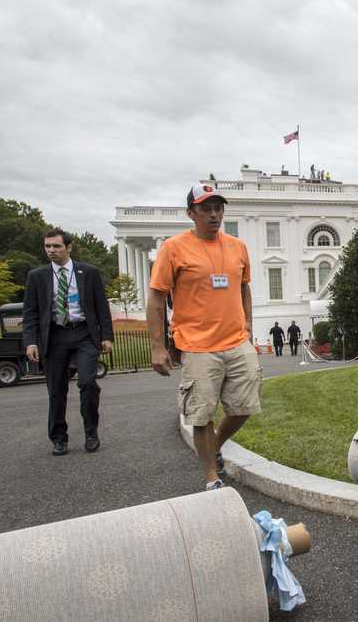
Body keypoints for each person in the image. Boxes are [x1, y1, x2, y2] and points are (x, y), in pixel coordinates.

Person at [147, 183, 260, 491]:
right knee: (202, 415)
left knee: (245, 406)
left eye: (218, 208)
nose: (214, 214)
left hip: (236, 340)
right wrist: (158, 346)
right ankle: (212, 478)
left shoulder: (237, 247)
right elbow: (157, 298)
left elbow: (243, 287)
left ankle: (215, 445)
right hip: (197, 345)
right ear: (191, 213)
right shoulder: (173, 248)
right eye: (206, 209)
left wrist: (248, 323)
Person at [22, 228, 114, 456]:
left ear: (69, 247)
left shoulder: (88, 272)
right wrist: (31, 341)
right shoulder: (37, 276)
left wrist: (107, 336)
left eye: (57, 246)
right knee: (56, 390)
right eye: (48, 246)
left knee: (88, 382)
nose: (51, 251)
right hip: (55, 336)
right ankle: (59, 438)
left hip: (84, 334)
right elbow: (31, 312)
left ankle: (91, 432)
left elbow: (102, 307)